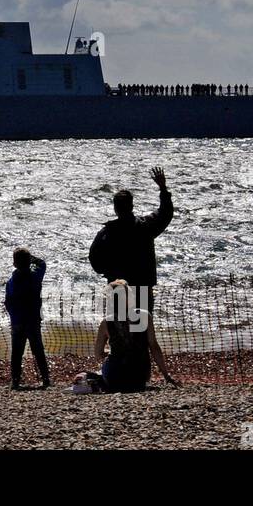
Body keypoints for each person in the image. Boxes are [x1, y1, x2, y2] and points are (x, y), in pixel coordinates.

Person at [89, 166, 172, 312]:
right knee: (141, 331)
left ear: (115, 208)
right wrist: (162, 188)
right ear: (132, 206)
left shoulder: (107, 232)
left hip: (117, 289)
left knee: (119, 331)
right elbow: (165, 213)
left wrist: (108, 272)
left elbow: (94, 257)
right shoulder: (145, 227)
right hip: (142, 291)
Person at [92, 281, 179, 392]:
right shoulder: (145, 316)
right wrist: (166, 375)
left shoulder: (106, 322)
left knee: (108, 366)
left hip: (114, 377)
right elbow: (154, 347)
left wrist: (114, 356)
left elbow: (98, 354)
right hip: (140, 375)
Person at [4, 247, 50, 389]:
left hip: (18, 321)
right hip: (33, 320)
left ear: (14, 264)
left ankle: (16, 381)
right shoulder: (35, 277)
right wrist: (32, 259)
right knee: (38, 351)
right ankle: (45, 379)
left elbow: (8, 302)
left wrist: (13, 316)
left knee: (17, 353)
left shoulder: (11, 283)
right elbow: (42, 264)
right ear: (28, 262)